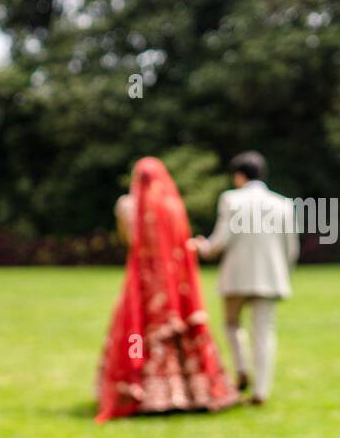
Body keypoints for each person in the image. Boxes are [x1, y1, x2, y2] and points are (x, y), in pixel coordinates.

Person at [96, 157, 239, 422]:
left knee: (137, 333)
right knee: (179, 332)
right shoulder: (173, 205)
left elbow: (130, 242)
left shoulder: (129, 207)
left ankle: (139, 386)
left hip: (145, 283)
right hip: (176, 284)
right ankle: (192, 391)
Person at [192, 151, 299, 406]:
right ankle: (261, 391)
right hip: (270, 276)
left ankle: (241, 367)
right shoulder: (282, 203)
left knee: (231, 324)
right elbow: (291, 247)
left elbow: (221, 239)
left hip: (237, 275)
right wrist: (283, 274)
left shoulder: (232, 199)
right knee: (264, 332)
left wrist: (203, 248)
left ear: (239, 176)